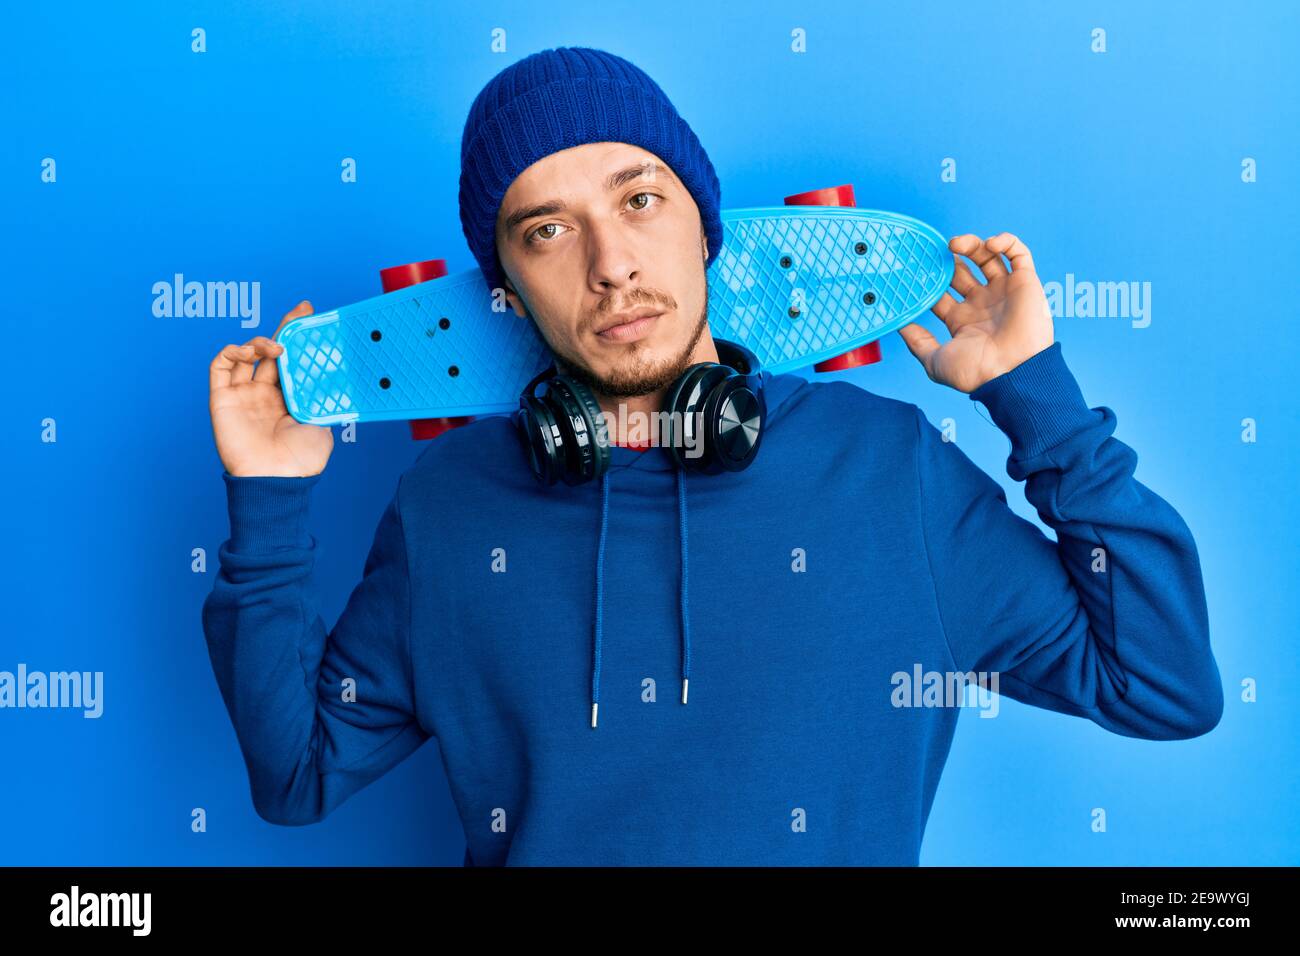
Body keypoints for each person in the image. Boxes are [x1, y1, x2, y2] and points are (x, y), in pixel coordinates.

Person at [201, 46, 1223, 866]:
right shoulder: (448, 507)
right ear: (502, 289)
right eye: (548, 230)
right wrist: (269, 500)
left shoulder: (884, 467)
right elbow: (296, 775)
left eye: (639, 200)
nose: (612, 267)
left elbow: (1163, 682)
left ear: (705, 229)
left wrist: (1034, 397)